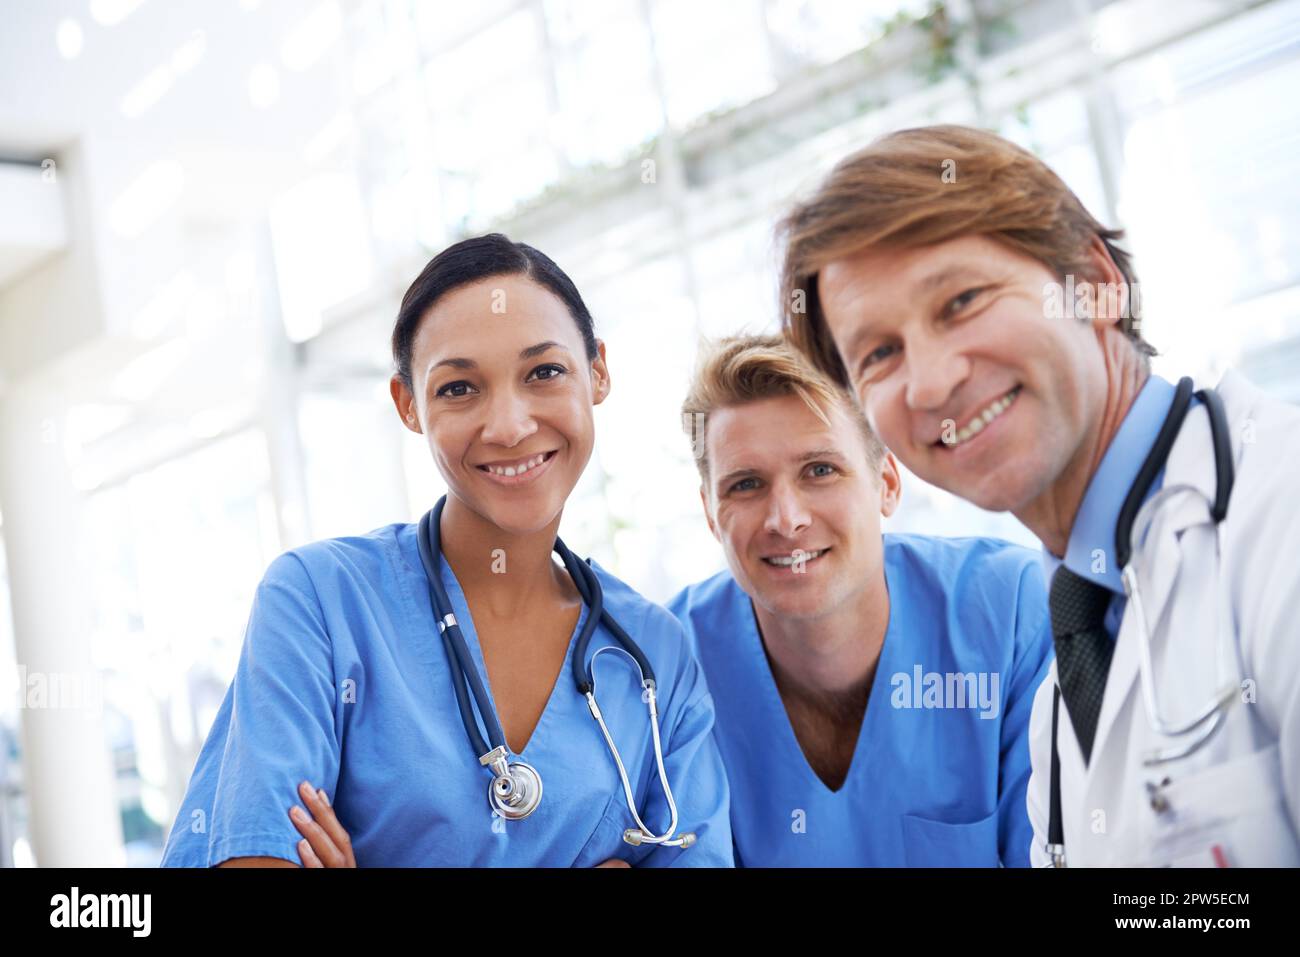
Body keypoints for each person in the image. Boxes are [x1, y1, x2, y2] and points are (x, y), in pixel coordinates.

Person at [779, 124, 1300, 867]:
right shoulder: (1061, 700)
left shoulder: (1278, 517)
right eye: (881, 353)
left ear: (1095, 284)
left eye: (961, 300)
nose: (930, 381)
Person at [159, 233, 732, 867]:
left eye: (544, 372)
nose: (509, 426)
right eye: (459, 388)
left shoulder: (655, 655)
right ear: (408, 405)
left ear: (597, 370)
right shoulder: (319, 601)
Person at [666, 334, 1052, 866]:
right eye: (746, 484)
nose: (787, 519)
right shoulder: (666, 668)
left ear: (887, 483)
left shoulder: (1011, 611)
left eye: (820, 470)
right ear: (711, 514)